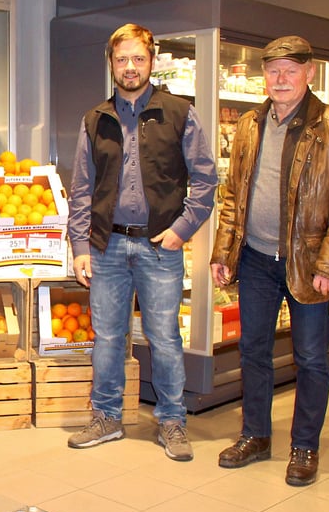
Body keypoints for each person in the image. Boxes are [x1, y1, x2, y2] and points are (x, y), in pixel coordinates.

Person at [210, 35, 329, 486]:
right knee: (253, 351)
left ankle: (305, 447)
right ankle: (256, 435)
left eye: (290, 70)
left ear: (309, 73)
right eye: (273, 70)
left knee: (311, 358)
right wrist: (224, 252)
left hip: (308, 263)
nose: (280, 79)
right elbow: (233, 194)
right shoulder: (249, 123)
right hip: (257, 258)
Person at [66, 23, 217, 461]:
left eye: (137, 59)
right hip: (107, 247)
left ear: (151, 61)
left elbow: (206, 180)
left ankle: (172, 422)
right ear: (111, 63)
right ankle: (107, 418)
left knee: (165, 338)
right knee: (108, 338)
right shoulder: (95, 119)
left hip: (159, 247)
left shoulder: (179, 113)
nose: (129, 67)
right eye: (121, 59)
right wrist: (80, 246)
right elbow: (82, 188)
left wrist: (182, 229)